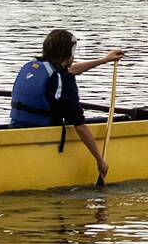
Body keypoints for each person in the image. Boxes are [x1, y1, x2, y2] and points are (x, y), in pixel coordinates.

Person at [10, 29, 109, 180]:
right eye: (73, 51)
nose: (74, 56)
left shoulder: (36, 66)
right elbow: (80, 127)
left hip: (15, 130)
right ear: (66, 52)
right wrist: (99, 160)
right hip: (45, 137)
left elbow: (69, 70)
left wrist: (104, 60)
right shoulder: (63, 81)